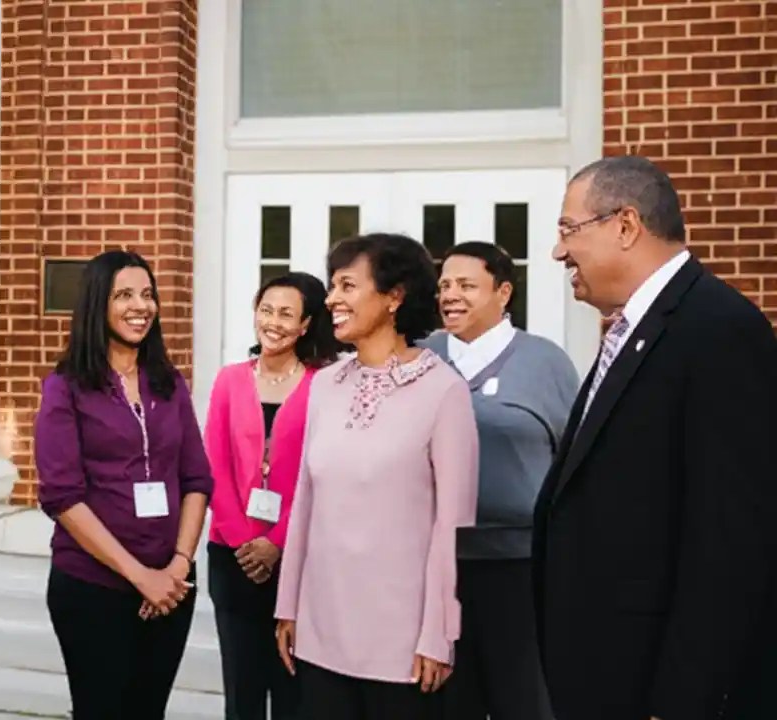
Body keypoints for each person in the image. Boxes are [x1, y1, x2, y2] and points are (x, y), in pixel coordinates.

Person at [532, 155, 777, 720]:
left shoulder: (719, 330)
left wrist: (682, 699)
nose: (558, 251)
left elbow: (730, 540)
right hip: (604, 669)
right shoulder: (635, 327)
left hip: (653, 683)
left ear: (625, 225)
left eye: (569, 229)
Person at [275, 233, 479, 720]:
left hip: (403, 644)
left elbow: (453, 527)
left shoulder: (444, 392)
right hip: (320, 631)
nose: (331, 299)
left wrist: (440, 632)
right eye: (332, 286)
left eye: (347, 285)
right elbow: (305, 500)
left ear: (394, 296)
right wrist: (288, 605)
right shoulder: (325, 385)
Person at [34, 250, 213, 720]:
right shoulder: (66, 387)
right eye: (124, 295)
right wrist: (140, 577)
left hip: (171, 586)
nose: (141, 306)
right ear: (99, 304)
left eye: (147, 294)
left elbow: (197, 479)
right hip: (94, 588)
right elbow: (61, 496)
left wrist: (177, 566)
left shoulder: (169, 383)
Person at [419, 242, 577, 720]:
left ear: (503, 292)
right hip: (434, 568)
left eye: (467, 285)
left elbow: (573, 462)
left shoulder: (545, 362)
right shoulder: (420, 358)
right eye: (445, 285)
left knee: (523, 700)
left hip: (520, 569)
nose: (451, 295)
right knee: (446, 704)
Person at [203, 271, 339, 720]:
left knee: (292, 689)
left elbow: (321, 472)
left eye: (286, 314)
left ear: (305, 324)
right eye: (266, 310)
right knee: (241, 689)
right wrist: (245, 542)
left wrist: (277, 542)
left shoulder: (325, 385)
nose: (273, 322)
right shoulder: (229, 380)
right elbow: (214, 466)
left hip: (299, 555)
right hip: (233, 555)